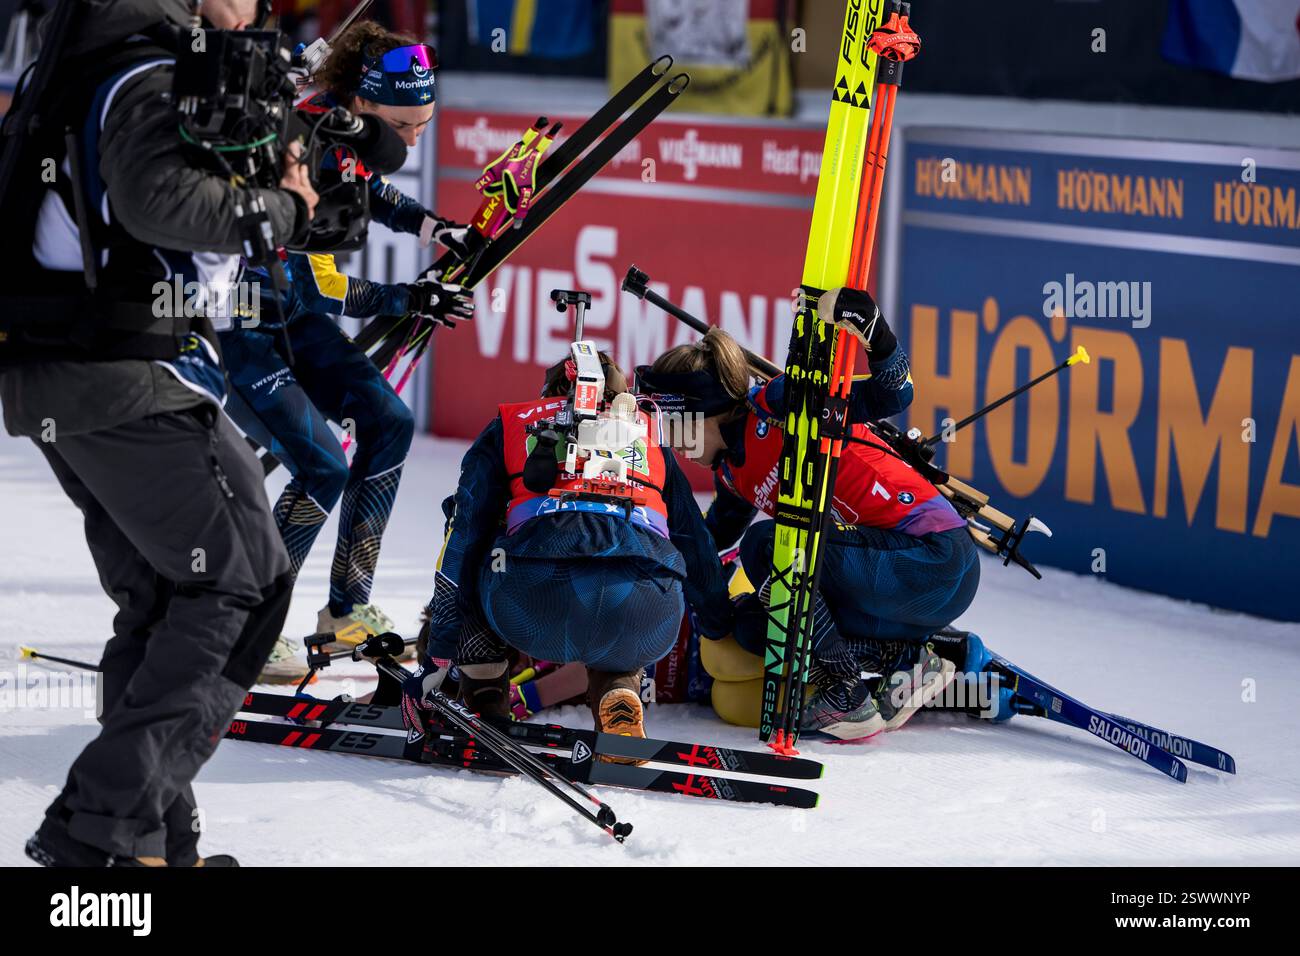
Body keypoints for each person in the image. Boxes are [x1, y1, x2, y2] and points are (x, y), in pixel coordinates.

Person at [0, 0, 315, 866]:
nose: (255, 7)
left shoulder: (100, 52)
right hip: (126, 375)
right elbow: (155, 199)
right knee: (241, 582)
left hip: (70, 378)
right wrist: (280, 212)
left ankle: (144, 847)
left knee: (171, 595)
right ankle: (97, 834)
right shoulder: (144, 66)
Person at [218, 21, 474, 681]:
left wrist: (430, 223)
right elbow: (326, 285)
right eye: (404, 125)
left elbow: (368, 191)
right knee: (323, 465)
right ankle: (245, 624)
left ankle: (344, 613)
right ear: (362, 105)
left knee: (388, 422)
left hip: (292, 321)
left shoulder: (346, 130)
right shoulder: (303, 137)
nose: (414, 138)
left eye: (425, 124)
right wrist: (409, 299)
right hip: (242, 330)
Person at [638, 287, 980, 741]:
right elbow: (703, 542)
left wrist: (874, 331)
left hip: (933, 559)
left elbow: (893, 395)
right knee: (755, 624)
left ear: (709, 412)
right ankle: (899, 657)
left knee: (766, 546)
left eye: (677, 424)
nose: (675, 441)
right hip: (889, 586)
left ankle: (846, 692)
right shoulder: (734, 474)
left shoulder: (781, 405)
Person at [400, 351, 734, 741]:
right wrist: (720, 627)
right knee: (626, 591)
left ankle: (485, 696)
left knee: (471, 525)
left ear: (546, 396)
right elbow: (697, 547)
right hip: (647, 615)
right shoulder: (650, 436)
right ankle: (620, 690)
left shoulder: (512, 425)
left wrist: (437, 657)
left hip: (531, 607)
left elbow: (461, 540)